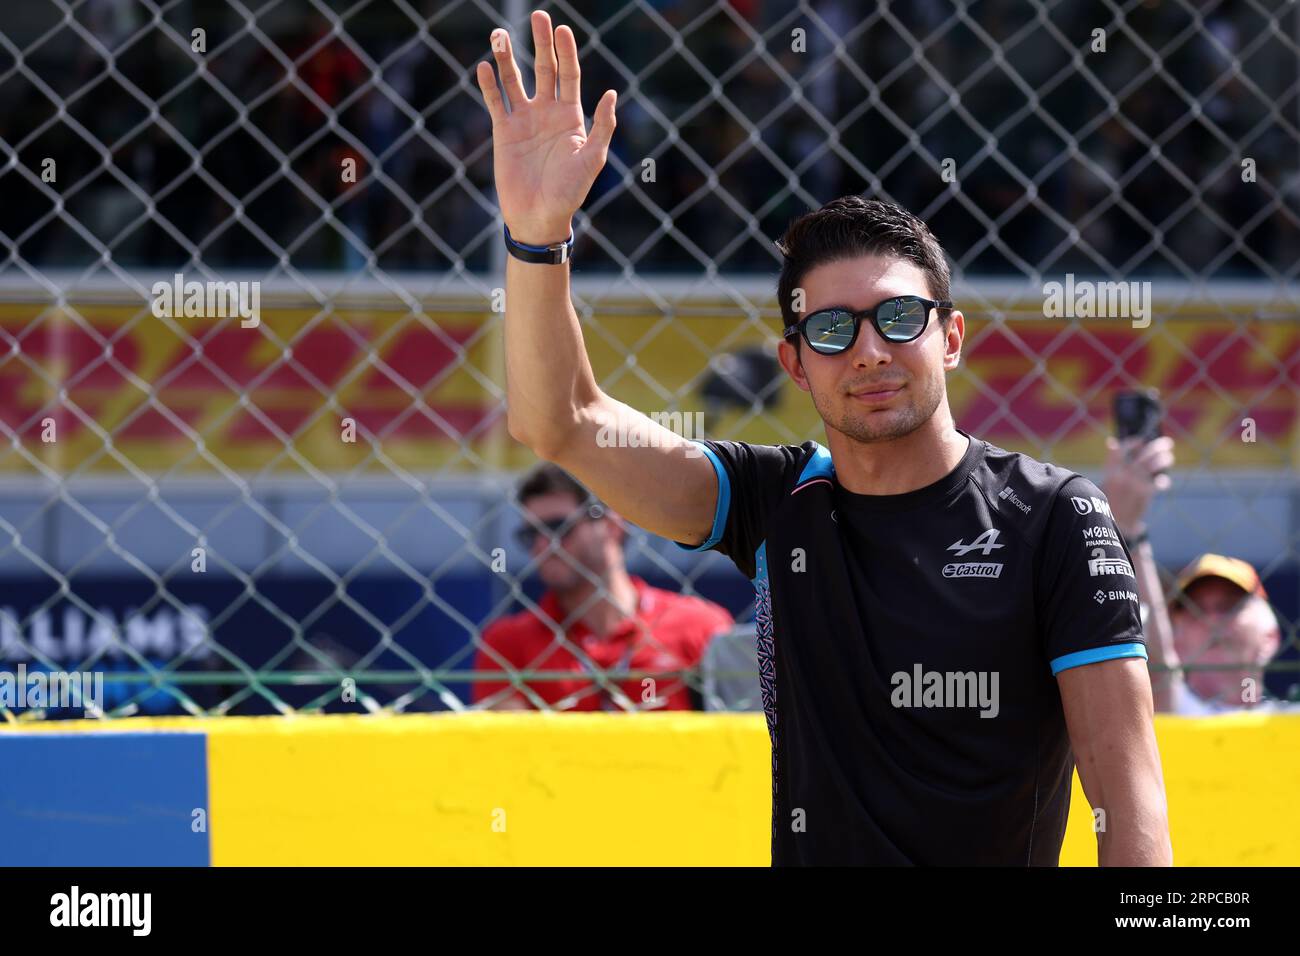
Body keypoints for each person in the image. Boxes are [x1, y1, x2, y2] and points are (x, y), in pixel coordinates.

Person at [475, 9, 1171, 865]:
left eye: (899, 318)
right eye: (833, 330)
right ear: (796, 367)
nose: (870, 350)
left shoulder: (1056, 514)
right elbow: (561, 422)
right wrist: (539, 238)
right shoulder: (781, 501)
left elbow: (1125, 783)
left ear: (949, 337)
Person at [473, 463, 733, 711]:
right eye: (531, 534)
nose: (543, 546)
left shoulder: (699, 626)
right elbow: (513, 753)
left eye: (557, 528)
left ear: (612, 526)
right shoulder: (507, 644)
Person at [1102, 436, 1289, 714]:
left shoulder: (1289, 722)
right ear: (1175, 640)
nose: (1212, 620)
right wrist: (1126, 527)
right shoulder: (1163, 713)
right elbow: (1155, 660)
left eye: (1229, 607)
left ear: (1270, 636)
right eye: (1194, 611)